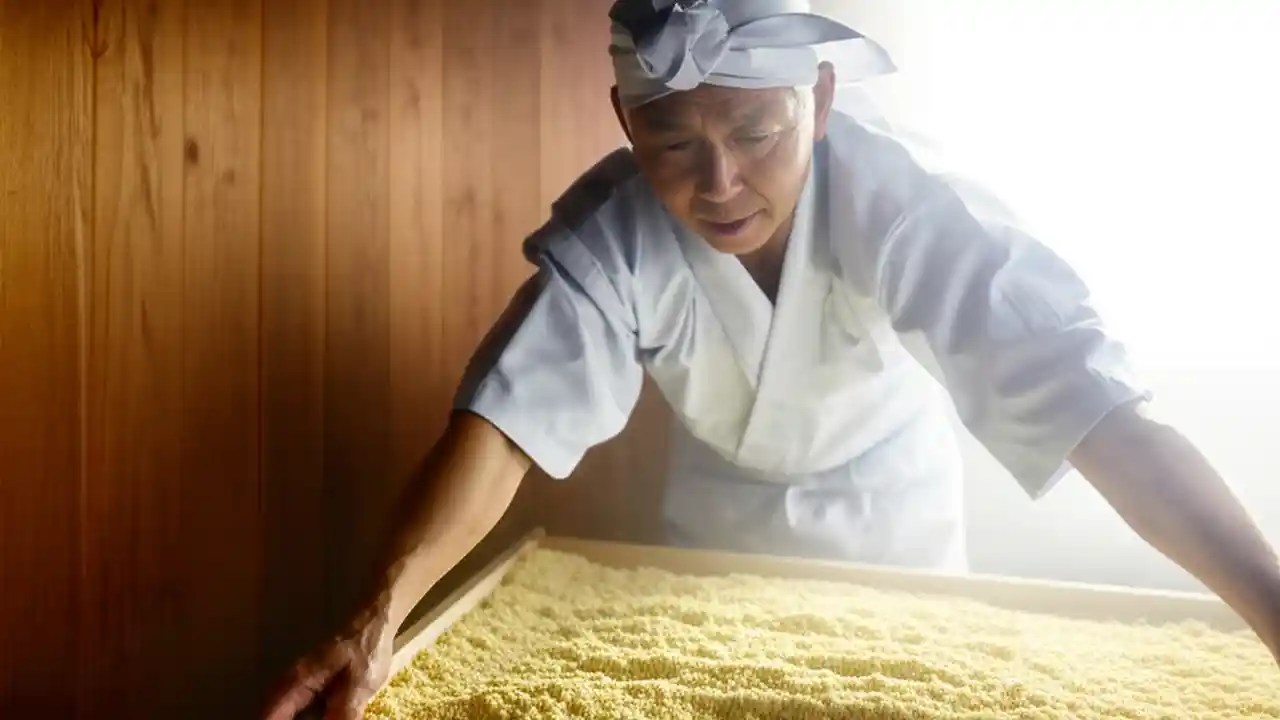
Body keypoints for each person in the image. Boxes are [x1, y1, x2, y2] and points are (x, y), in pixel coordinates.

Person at [264, 1, 1280, 717]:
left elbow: (1099, 417)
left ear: (822, 100)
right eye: (672, 145)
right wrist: (374, 618)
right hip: (706, 541)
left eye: (757, 131)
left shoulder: (908, 208)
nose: (719, 184)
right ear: (624, 122)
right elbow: (502, 426)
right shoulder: (615, 237)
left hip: (900, 541)